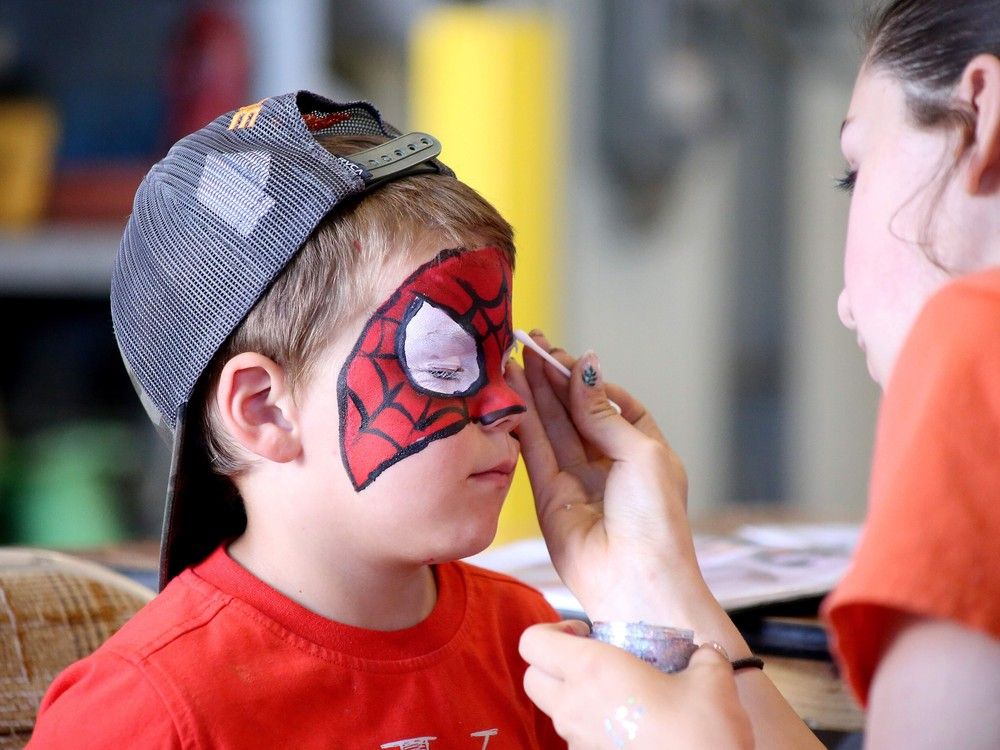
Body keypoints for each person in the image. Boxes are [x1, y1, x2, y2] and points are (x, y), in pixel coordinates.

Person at [509, 0, 1000, 748]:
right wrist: (660, 593)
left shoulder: (975, 340)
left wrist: (659, 737)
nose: (843, 302)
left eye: (854, 170)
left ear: (981, 114)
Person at [29, 94, 565, 748]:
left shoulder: (530, 644)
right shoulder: (143, 714)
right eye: (446, 367)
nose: (509, 402)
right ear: (263, 409)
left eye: (498, 355)